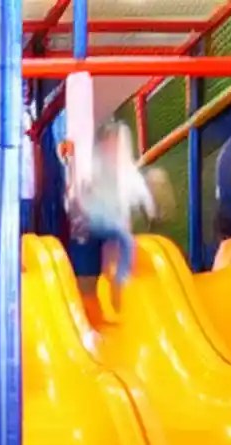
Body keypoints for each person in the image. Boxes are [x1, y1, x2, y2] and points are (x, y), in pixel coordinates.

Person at [60, 122, 168, 319]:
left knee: (122, 240)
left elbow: (140, 192)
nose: (112, 147)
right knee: (87, 253)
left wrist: (150, 211)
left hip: (110, 225)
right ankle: (88, 303)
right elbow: (84, 195)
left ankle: (118, 281)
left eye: (116, 143)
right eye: (109, 142)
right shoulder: (97, 168)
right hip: (93, 223)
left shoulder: (126, 172)